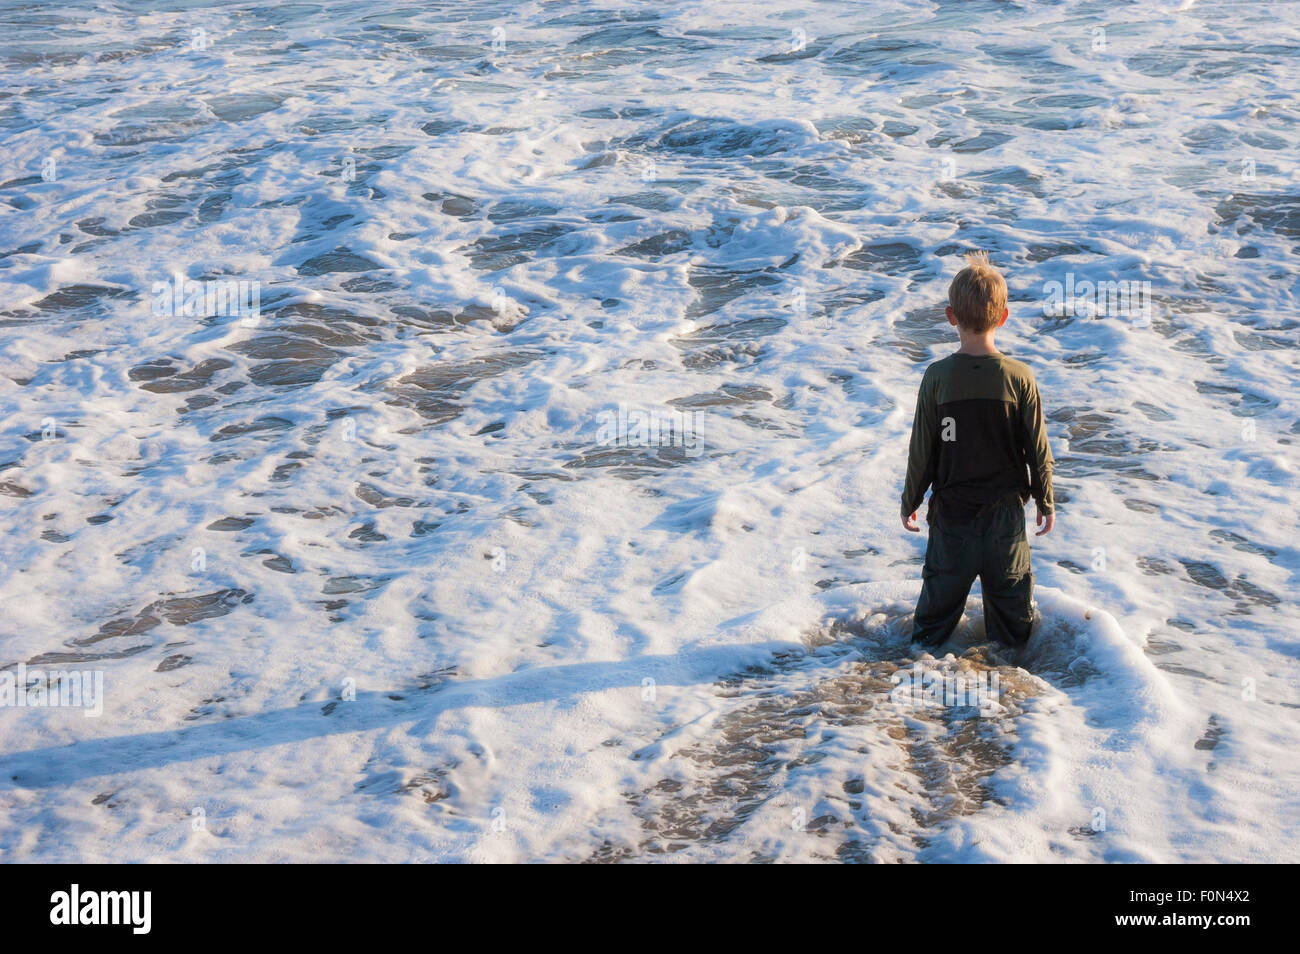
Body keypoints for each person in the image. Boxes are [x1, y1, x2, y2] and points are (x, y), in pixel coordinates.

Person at [900, 251, 1056, 648]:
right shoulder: (1020, 377)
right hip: (1005, 523)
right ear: (1004, 317)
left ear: (951, 316)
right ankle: (1011, 686)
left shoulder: (937, 377)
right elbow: (1038, 451)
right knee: (1014, 635)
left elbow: (922, 451)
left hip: (952, 522)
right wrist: (1045, 500)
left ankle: (913, 679)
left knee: (930, 633)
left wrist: (910, 500)